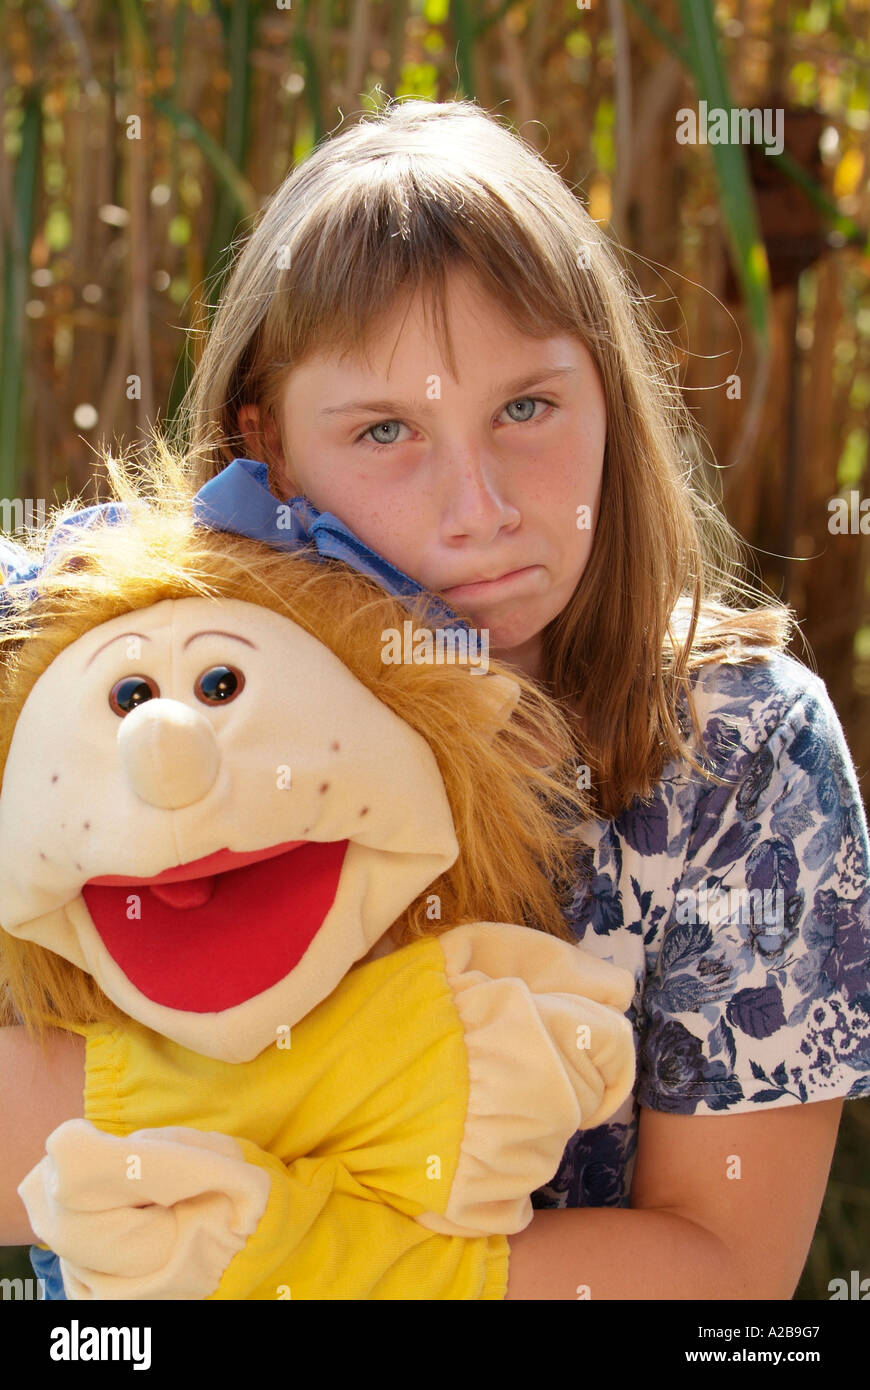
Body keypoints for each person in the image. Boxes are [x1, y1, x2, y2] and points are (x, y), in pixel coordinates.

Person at [7, 95, 870, 1300]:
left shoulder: (740, 747)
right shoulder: (94, 683)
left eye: (526, 407)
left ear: (611, 395)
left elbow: (722, 1273)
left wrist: (306, 1247)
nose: (480, 505)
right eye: (385, 431)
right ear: (269, 448)